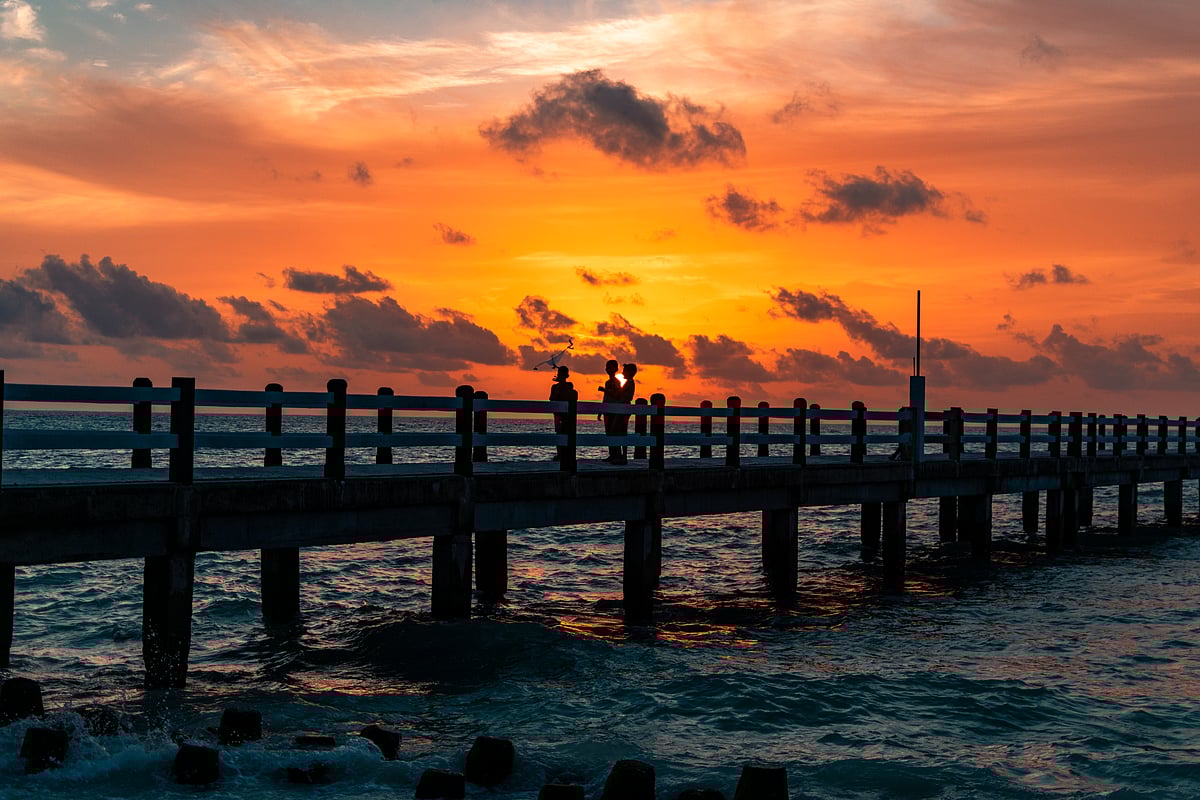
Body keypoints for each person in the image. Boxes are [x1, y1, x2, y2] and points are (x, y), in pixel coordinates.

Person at [598, 360, 625, 464]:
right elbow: (605, 397)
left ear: (616, 369)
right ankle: (612, 454)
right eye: (608, 368)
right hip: (607, 410)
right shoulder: (608, 382)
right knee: (609, 433)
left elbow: (617, 395)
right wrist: (601, 409)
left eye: (612, 368)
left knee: (614, 432)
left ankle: (617, 454)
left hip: (614, 410)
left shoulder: (616, 382)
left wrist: (604, 390)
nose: (609, 370)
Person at [549, 366, 573, 460]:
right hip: (558, 414)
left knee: (567, 433)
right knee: (559, 433)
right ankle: (560, 454)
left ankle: (567, 454)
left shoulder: (569, 385)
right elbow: (551, 399)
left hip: (567, 415)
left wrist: (561, 385)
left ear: (567, 375)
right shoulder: (554, 387)